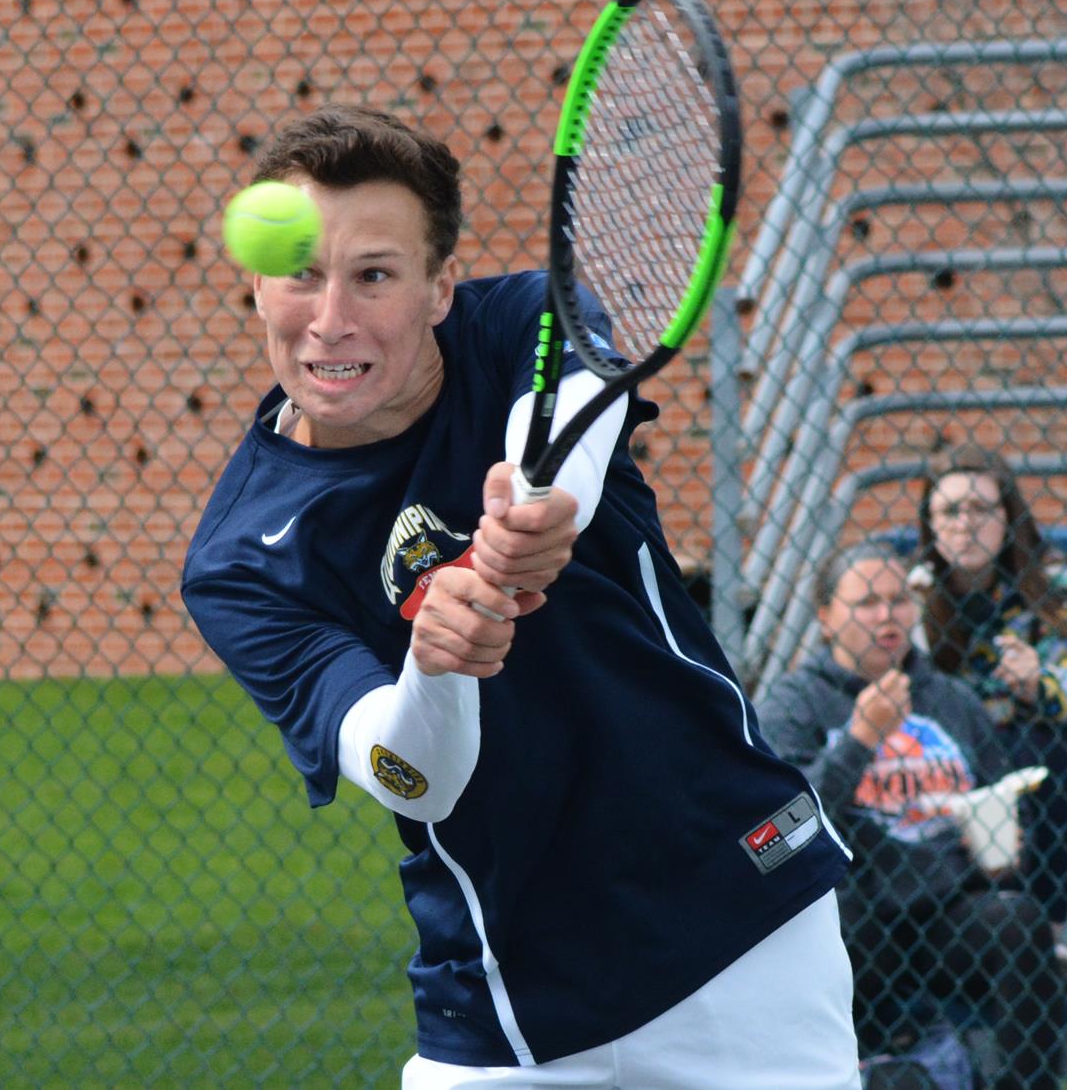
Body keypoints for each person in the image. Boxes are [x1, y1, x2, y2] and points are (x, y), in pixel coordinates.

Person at [179, 105, 860, 1088]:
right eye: (300, 274)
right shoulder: (242, 559)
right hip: (504, 996)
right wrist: (438, 661)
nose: (330, 319)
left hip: (736, 910)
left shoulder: (528, 320)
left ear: (438, 287)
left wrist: (535, 518)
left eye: (374, 275)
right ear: (256, 285)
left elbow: (572, 436)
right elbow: (415, 775)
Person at [758, 542, 1066, 1090]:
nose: (886, 616)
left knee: (1016, 920)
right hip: (857, 916)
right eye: (866, 603)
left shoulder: (951, 699)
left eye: (899, 600)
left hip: (946, 908)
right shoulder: (795, 703)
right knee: (842, 900)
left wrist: (1005, 844)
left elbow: (1004, 802)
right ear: (826, 618)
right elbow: (780, 833)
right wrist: (859, 739)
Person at [911, 445, 1067, 953]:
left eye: (982, 510)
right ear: (930, 524)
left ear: (1007, 517)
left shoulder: (1053, 584)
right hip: (945, 753)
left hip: (1026, 749)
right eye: (950, 511)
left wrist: (1043, 685)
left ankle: (1046, 935)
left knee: (1047, 747)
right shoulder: (914, 592)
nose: (965, 524)